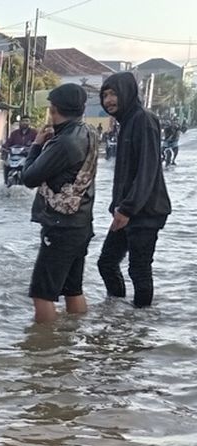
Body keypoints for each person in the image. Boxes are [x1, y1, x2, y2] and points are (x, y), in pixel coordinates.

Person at [20, 84, 99, 324]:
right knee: (73, 289)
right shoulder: (88, 132)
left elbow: (29, 177)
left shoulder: (63, 143)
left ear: (53, 109)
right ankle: (71, 339)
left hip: (61, 226)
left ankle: (44, 354)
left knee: (42, 294)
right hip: (81, 223)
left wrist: (36, 145)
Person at [96, 72, 171, 308]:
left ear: (128, 93)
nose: (108, 100)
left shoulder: (143, 120)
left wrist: (126, 208)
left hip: (146, 211)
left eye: (113, 93)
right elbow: (125, 173)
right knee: (107, 263)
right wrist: (117, 206)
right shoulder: (126, 123)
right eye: (105, 95)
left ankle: (140, 326)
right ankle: (118, 315)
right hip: (128, 209)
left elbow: (147, 170)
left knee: (139, 270)